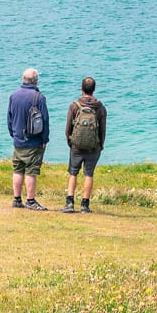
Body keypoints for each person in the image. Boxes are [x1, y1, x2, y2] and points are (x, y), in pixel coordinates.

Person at [62, 76, 107, 214]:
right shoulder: (100, 107)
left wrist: (71, 142)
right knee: (89, 174)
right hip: (93, 146)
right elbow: (102, 130)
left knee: (73, 173)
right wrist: (100, 145)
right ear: (94, 90)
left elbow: (68, 128)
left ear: (81, 89)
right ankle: (85, 205)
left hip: (76, 146)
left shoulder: (74, 106)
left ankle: (70, 203)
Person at [7, 67, 49, 211]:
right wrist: (45, 139)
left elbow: (9, 118)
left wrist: (14, 134)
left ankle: (17, 199)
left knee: (18, 169)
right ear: (35, 80)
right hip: (34, 140)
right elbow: (45, 120)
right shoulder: (39, 97)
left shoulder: (13, 96)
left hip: (18, 139)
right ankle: (30, 200)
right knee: (31, 171)